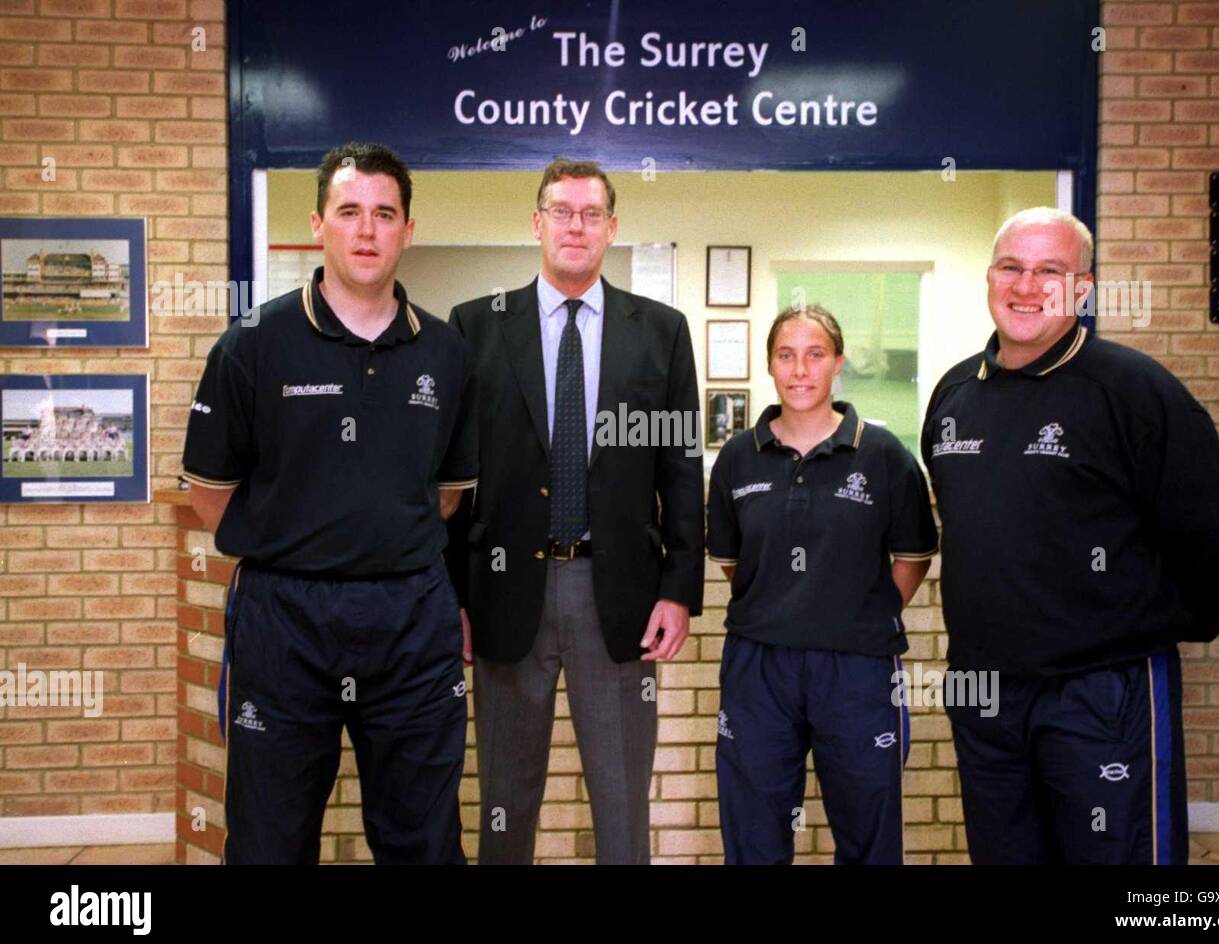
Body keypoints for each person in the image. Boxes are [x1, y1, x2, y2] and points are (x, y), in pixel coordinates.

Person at [922, 206, 1219, 864]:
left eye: (1051, 270)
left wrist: (1151, 622)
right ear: (989, 278)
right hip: (984, 690)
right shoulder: (955, 392)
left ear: (1083, 287)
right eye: (1012, 267)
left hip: (1103, 692)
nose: (1026, 286)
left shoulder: (1135, 391)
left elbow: (1216, 529)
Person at [181, 142, 478, 864]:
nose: (367, 229)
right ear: (319, 223)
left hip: (411, 623)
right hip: (284, 624)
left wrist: (375, 546)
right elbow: (207, 497)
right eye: (349, 211)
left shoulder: (446, 351)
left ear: (409, 229)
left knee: (425, 843)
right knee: (269, 841)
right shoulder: (252, 345)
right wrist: (304, 548)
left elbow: (445, 495)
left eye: (384, 213)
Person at [446, 158, 704, 864]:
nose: (576, 225)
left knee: (623, 810)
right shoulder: (475, 328)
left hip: (616, 595)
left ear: (612, 229)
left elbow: (683, 470)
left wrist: (679, 590)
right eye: (561, 210)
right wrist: (453, 597)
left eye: (591, 214)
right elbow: (449, 480)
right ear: (537, 222)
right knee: (504, 803)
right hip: (503, 595)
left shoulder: (661, 331)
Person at [706, 305, 937, 864]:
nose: (800, 369)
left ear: (839, 363)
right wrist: (787, 603)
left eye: (815, 354)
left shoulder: (883, 455)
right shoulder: (738, 458)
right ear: (769, 365)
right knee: (756, 836)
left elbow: (910, 556)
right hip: (758, 667)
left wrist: (855, 609)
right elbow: (735, 562)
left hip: (857, 668)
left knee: (868, 836)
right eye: (786, 355)